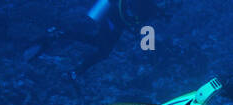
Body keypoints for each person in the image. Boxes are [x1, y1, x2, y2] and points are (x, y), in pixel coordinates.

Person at [24, 0, 164, 75]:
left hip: (118, 22)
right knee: (102, 49)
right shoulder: (145, 7)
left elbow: (142, 22)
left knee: (99, 45)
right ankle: (77, 70)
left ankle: (61, 35)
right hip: (113, 19)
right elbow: (138, 20)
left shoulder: (148, 8)